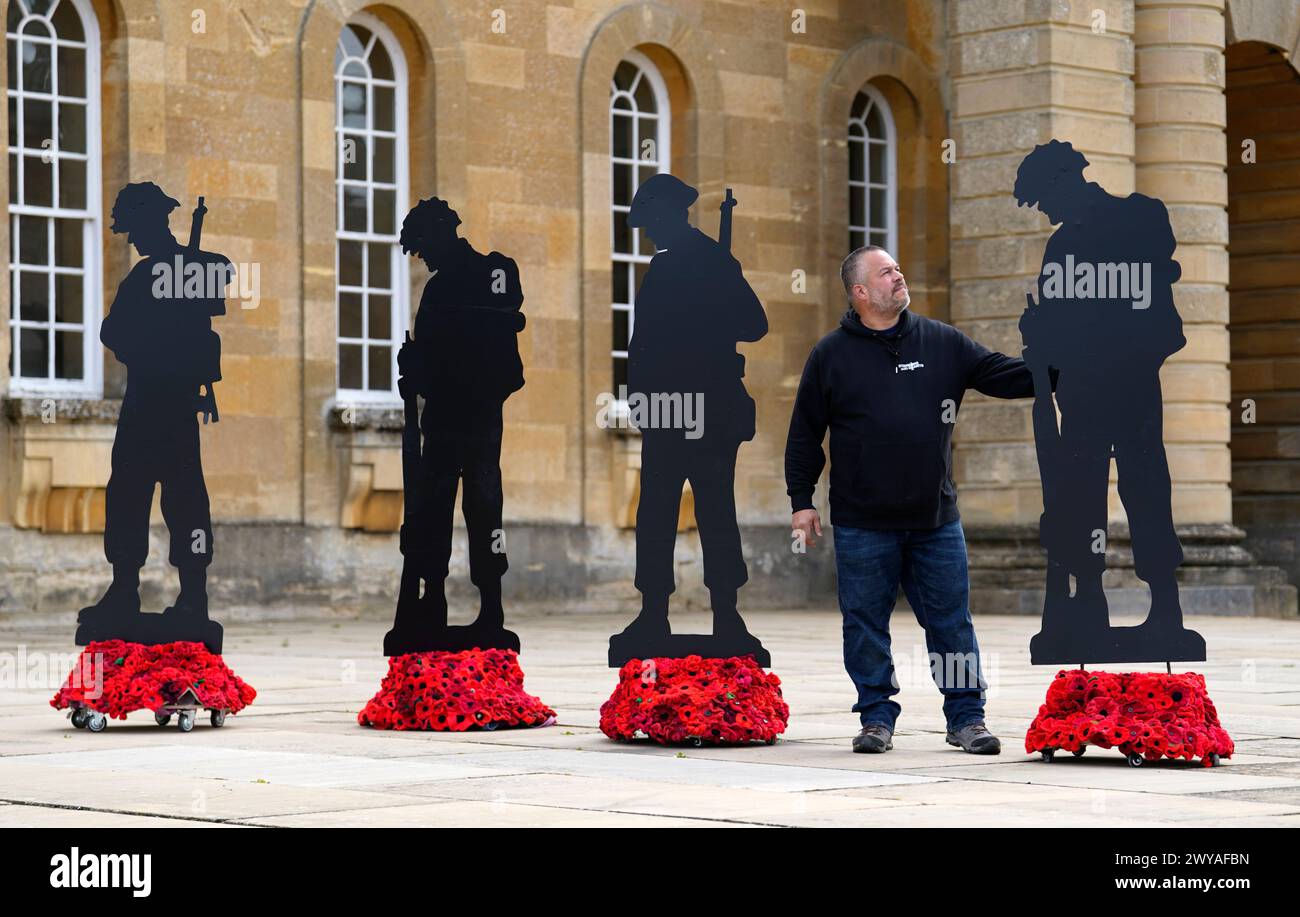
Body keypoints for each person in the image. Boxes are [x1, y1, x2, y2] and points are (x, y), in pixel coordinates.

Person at [784, 245, 1041, 754]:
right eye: (886, 272)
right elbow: (804, 435)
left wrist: (1069, 367)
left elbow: (1006, 374)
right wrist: (802, 500)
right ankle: (876, 718)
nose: (898, 275)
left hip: (935, 518)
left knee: (951, 623)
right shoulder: (830, 355)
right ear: (860, 292)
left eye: (899, 267)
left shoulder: (942, 341)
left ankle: (966, 718)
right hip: (862, 521)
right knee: (864, 625)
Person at [1014, 139, 1204, 662]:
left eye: (1044, 199)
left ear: (1063, 181)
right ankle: (1088, 603)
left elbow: (1151, 288)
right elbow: (1058, 317)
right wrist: (1040, 332)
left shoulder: (1140, 214)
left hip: (1131, 382)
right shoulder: (1060, 247)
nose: (1046, 212)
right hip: (1080, 392)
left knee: (1146, 491)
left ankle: (1165, 605)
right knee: (1080, 497)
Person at [610, 174, 768, 659]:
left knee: (716, 511)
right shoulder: (662, 268)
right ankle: (652, 611)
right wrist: (640, 399)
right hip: (665, 410)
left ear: (666, 217)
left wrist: (720, 300)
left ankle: (727, 612)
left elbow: (754, 324)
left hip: (710, 408)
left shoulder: (715, 262)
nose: (647, 233)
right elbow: (643, 345)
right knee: (655, 511)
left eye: (650, 223)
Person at [77, 182, 228, 650]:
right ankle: (128, 590)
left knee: (178, 498)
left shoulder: (183, 270)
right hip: (158, 400)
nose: (133, 239)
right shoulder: (152, 276)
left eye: (134, 229)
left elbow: (219, 281)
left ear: (151, 222)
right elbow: (113, 332)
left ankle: (191, 596)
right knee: (136, 493)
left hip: (159, 403)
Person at [385, 197, 524, 653]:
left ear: (443, 234)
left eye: (424, 248)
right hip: (444, 416)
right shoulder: (439, 289)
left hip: (477, 413)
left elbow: (501, 319)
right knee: (434, 511)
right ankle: (433, 602)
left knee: (485, 509)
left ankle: (492, 608)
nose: (423, 259)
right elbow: (432, 354)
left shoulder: (495, 269)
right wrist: (415, 364)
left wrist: (428, 358)